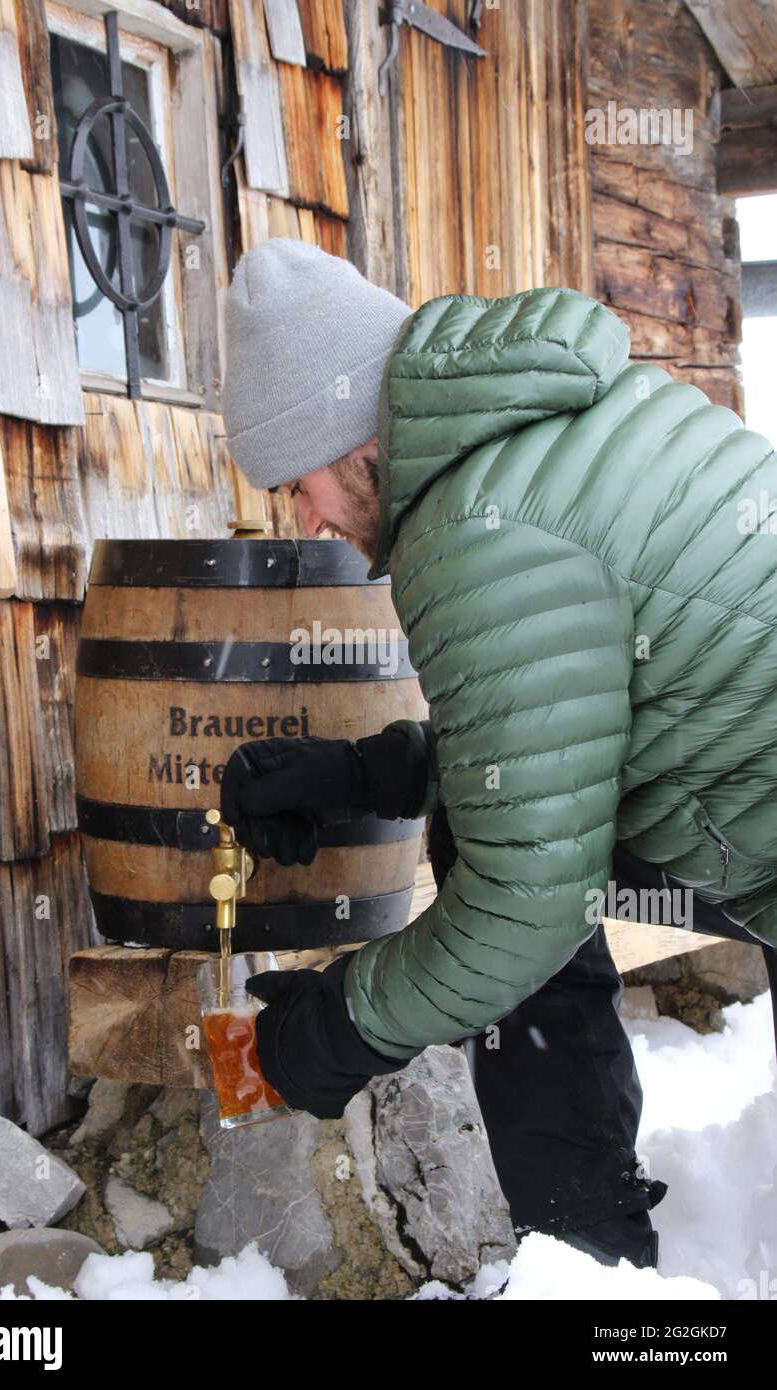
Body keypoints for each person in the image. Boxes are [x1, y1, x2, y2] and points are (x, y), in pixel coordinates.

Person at [218, 237, 777, 1271]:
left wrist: (340, 1026)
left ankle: (585, 1261)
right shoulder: (541, 423)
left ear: (349, 440)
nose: (305, 519)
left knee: (497, 868)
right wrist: (364, 774)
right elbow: (555, 728)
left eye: (296, 484)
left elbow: (524, 903)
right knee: (480, 828)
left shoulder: (472, 533)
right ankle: (587, 1237)